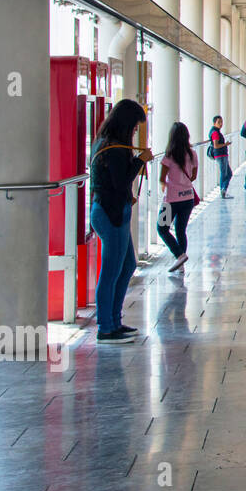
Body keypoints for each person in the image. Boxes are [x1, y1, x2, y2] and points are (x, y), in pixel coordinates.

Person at [88, 99, 151, 343]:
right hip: (110, 214)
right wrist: (140, 160)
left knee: (126, 266)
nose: (135, 131)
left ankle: (114, 321)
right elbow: (121, 180)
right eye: (134, 126)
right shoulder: (113, 148)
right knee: (111, 271)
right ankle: (106, 327)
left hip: (111, 210)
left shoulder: (105, 142)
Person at [157, 122, 198, 272]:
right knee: (181, 230)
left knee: (162, 229)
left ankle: (179, 255)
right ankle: (181, 263)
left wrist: (168, 184)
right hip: (188, 198)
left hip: (171, 200)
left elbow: (162, 178)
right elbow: (193, 175)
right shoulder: (192, 153)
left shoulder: (169, 155)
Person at [208, 115, 233, 199]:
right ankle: (223, 189)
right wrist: (225, 144)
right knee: (225, 173)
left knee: (228, 173)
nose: (221, 124)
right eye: (219, 122)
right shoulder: (215, 132)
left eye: (221, 122)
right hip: (220, 154)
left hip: (221, 154)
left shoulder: (216, 131)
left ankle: (223, 190)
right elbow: (216, 145)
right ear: (214, 123)